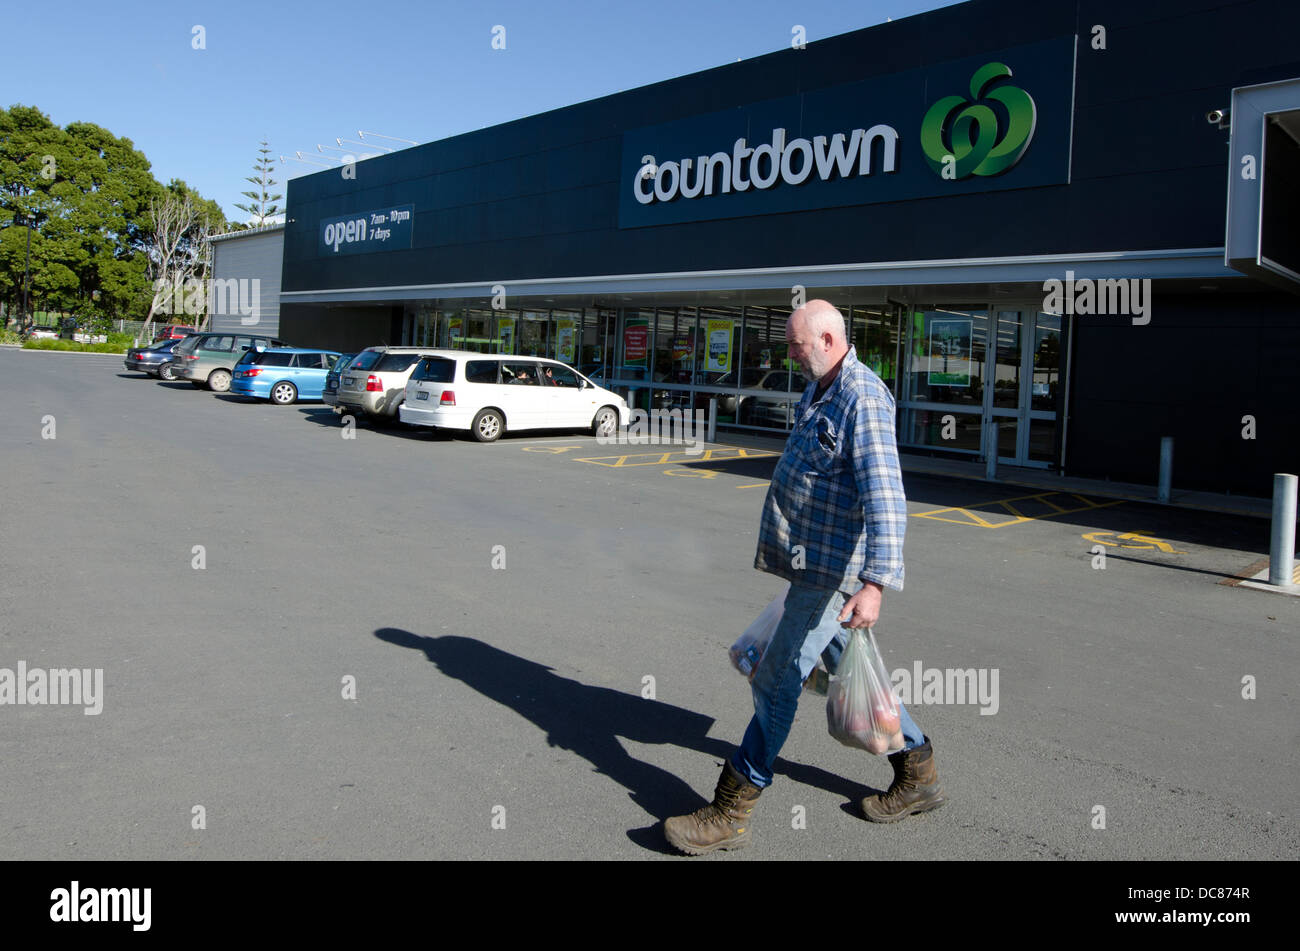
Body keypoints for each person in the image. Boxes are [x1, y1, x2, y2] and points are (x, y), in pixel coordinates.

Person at [663, 299, 945, 855]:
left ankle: (730, 809)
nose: (788, 354)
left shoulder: (861, 398)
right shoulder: (820, 387)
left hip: (833, 574)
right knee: (852, 672)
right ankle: (919, 773)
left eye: (795, 344)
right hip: (810, 564)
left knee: (777, 678)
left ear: (828, 339)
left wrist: (875, 584)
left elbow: (886, 498)